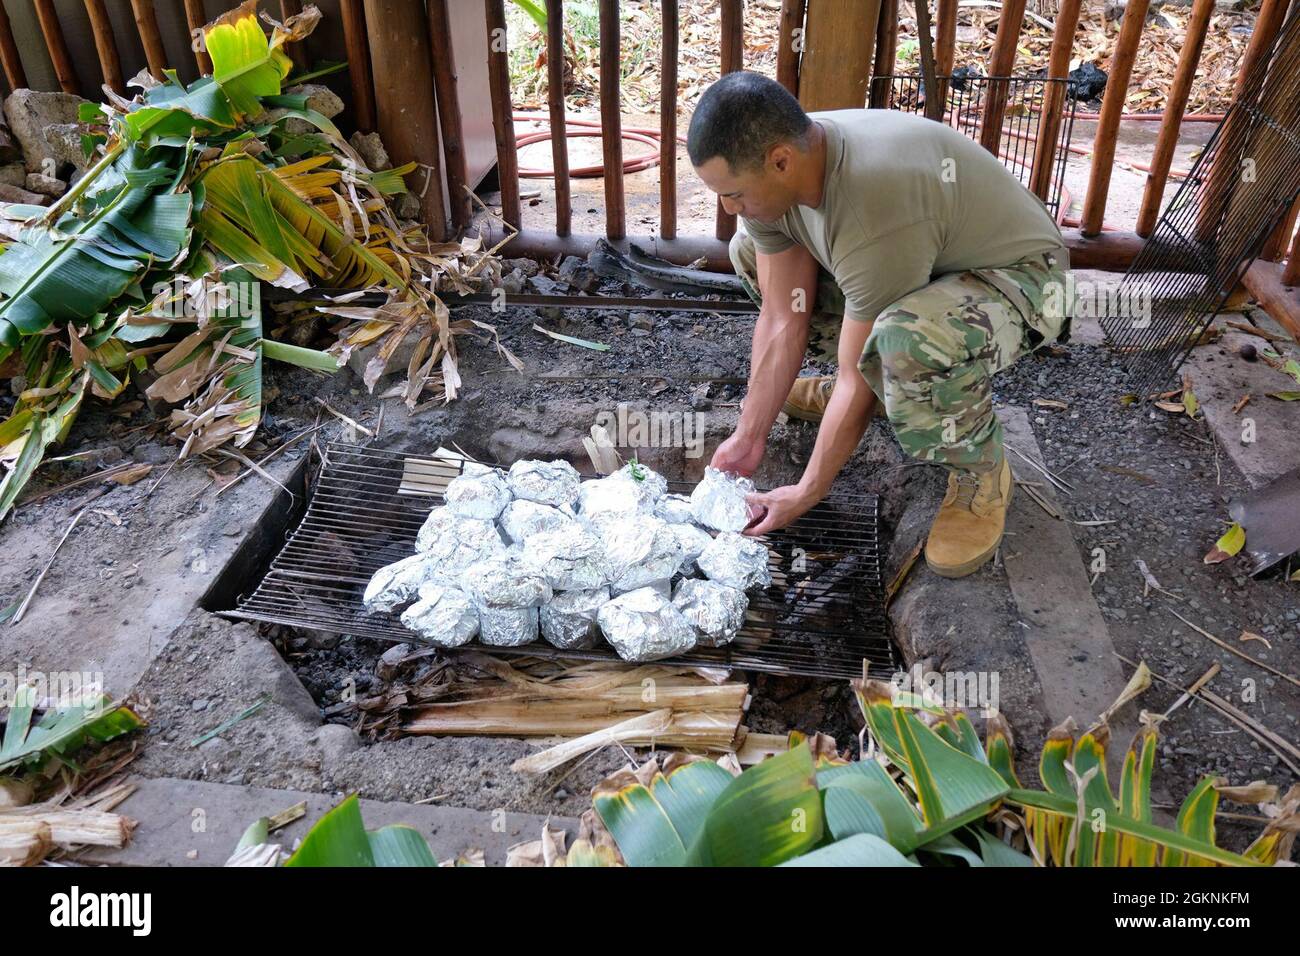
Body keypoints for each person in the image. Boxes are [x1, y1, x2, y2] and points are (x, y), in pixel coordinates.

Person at [688, 71, 1070, 578]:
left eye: (733, 193)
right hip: (929, 270)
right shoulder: (783, 166)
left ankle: (980, 471)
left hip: (1023, 280)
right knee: (748, 253)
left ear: (780, 160)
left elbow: (855, 369)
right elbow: (784, 315)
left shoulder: (874, 208)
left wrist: (807, 491)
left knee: (904, 341)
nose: (727, 206)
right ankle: (896, 395)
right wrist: (748, 437)